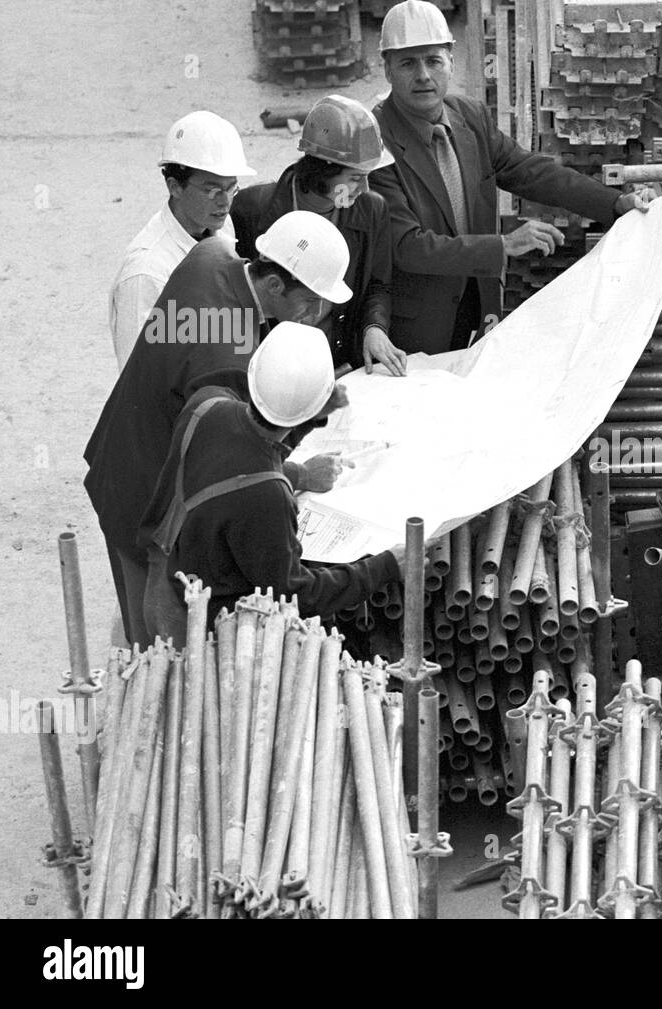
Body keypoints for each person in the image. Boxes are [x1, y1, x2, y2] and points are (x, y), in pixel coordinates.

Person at [85, 210, 354, 647]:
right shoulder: (227, 364)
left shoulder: (211, 254)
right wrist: (304, 472)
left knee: (139, 609)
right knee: (157, 646)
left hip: (122, 453)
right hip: (145, 494)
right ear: (272, 285)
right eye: (309, 300)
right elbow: (232, 466)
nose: (315, 313)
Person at [370, 0, 652, 356]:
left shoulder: (469, 117)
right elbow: (407, 247)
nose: (423, 75)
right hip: (418, 327)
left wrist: (612, 202)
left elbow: (530, 171)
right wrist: (504, 245)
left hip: (479, 302)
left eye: (433, 60)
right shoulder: (375, 140)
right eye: (408, 63)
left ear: (451, 62)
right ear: (387, 69)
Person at [139, 323, 405, 644]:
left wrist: (301, 474)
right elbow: (297, 595)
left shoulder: (208, 404)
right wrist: (386, 566)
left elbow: (240, 455)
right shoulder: (269, 497)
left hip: (159, 584)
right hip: (196, 626)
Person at [231, 95, 408, 376]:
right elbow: (239, 294)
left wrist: (374, 328)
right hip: (270, 364)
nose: (364, 188)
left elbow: (378, 285)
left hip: (337, 359)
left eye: (367, 176)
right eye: (354, 178)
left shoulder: (372, 209)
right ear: (323, 170)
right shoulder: (251, 210)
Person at [109, 111, 256, 367]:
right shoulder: (147, 275)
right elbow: (138, 378)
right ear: (174, 186)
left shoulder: (221, 228)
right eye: (211, 189)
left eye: (231, 187)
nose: (225, 201)